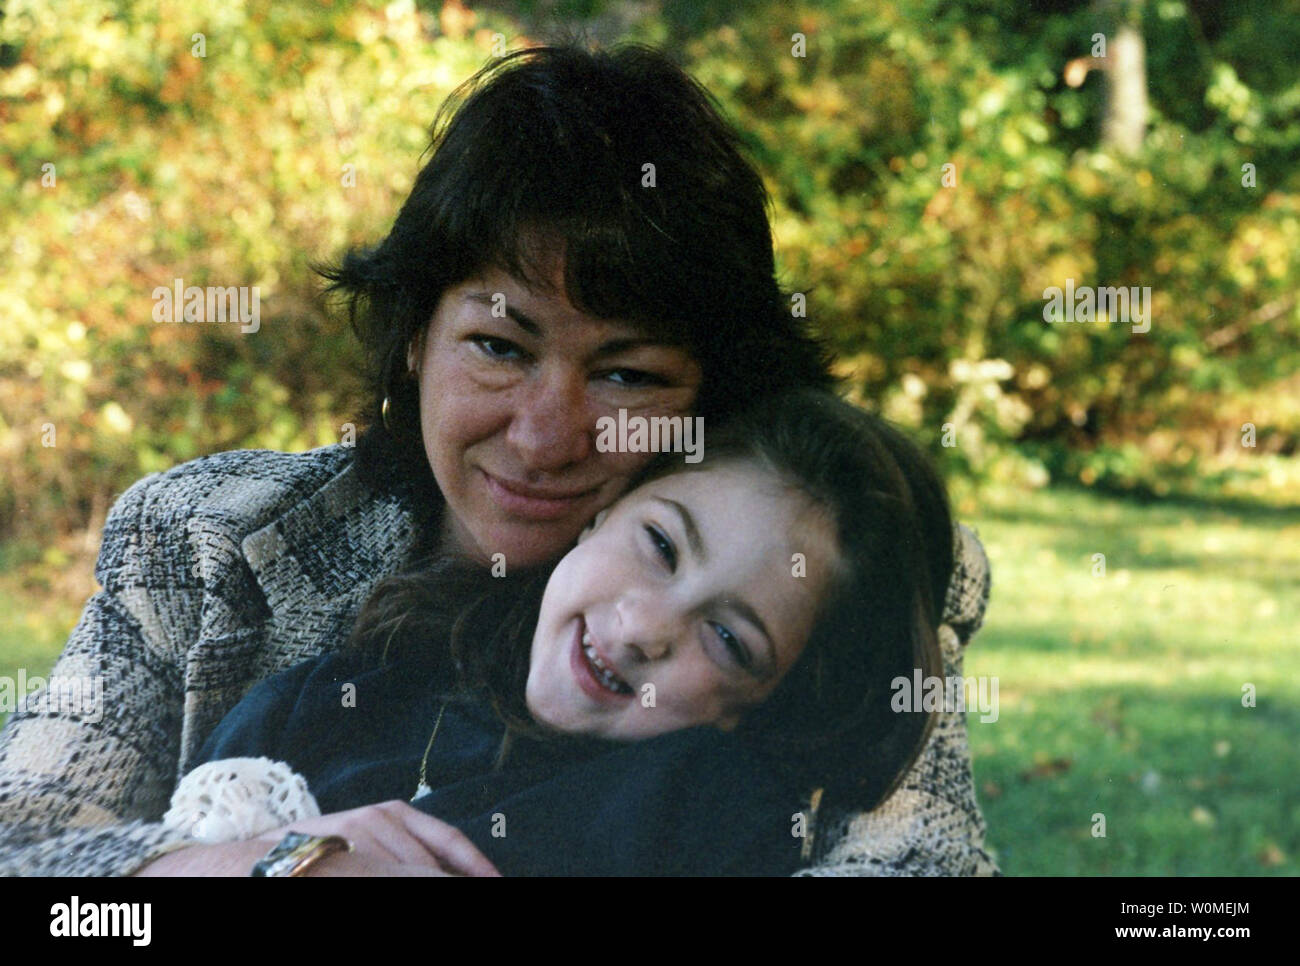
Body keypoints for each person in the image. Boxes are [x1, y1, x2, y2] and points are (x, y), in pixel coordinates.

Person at [0, 43, 995, 877]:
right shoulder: (206, 541)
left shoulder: (837, 571)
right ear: (414, 335)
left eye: (626, 377)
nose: (542, 434)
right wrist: (263, 865)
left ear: (709, 402)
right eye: (500, 346)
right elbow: (24, 838)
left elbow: (916, 866)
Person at [169, 390, 952, 876]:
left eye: (729, 641)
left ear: (760, 704)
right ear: (602, 513)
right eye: (661, 545)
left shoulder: (700, 815)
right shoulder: (322, 702)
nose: (645, 627)